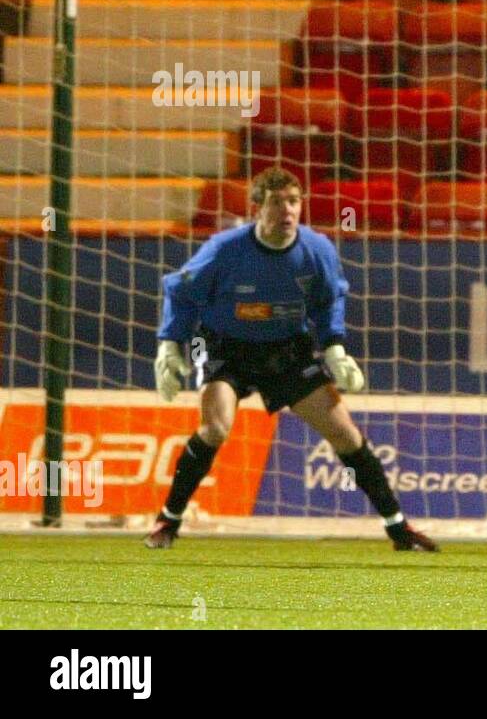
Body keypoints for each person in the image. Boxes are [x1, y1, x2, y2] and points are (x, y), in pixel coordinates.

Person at [147, 167, 439, 552]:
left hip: (286, 351)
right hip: (225, 348)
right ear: (256, 208)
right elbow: (180, 291)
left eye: (293, 201)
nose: (286, 210)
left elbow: (329, 300)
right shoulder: (224, 249)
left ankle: (399, 529)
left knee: (345, 433)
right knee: (216, 428)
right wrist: (170, 344)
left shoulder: (317, 250)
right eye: (276, 202)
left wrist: (334, 346)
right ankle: (168, 520)